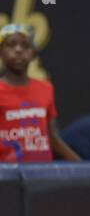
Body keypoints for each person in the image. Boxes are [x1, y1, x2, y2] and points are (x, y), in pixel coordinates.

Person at [0, 23, 79, 162]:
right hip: (6, 176)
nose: (18, 50)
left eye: (25, 45)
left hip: (41, 175)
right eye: (11, 45)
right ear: (1, 52)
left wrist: (81, 166)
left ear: (33, 53)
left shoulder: (46, 88)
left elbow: (51, 137)